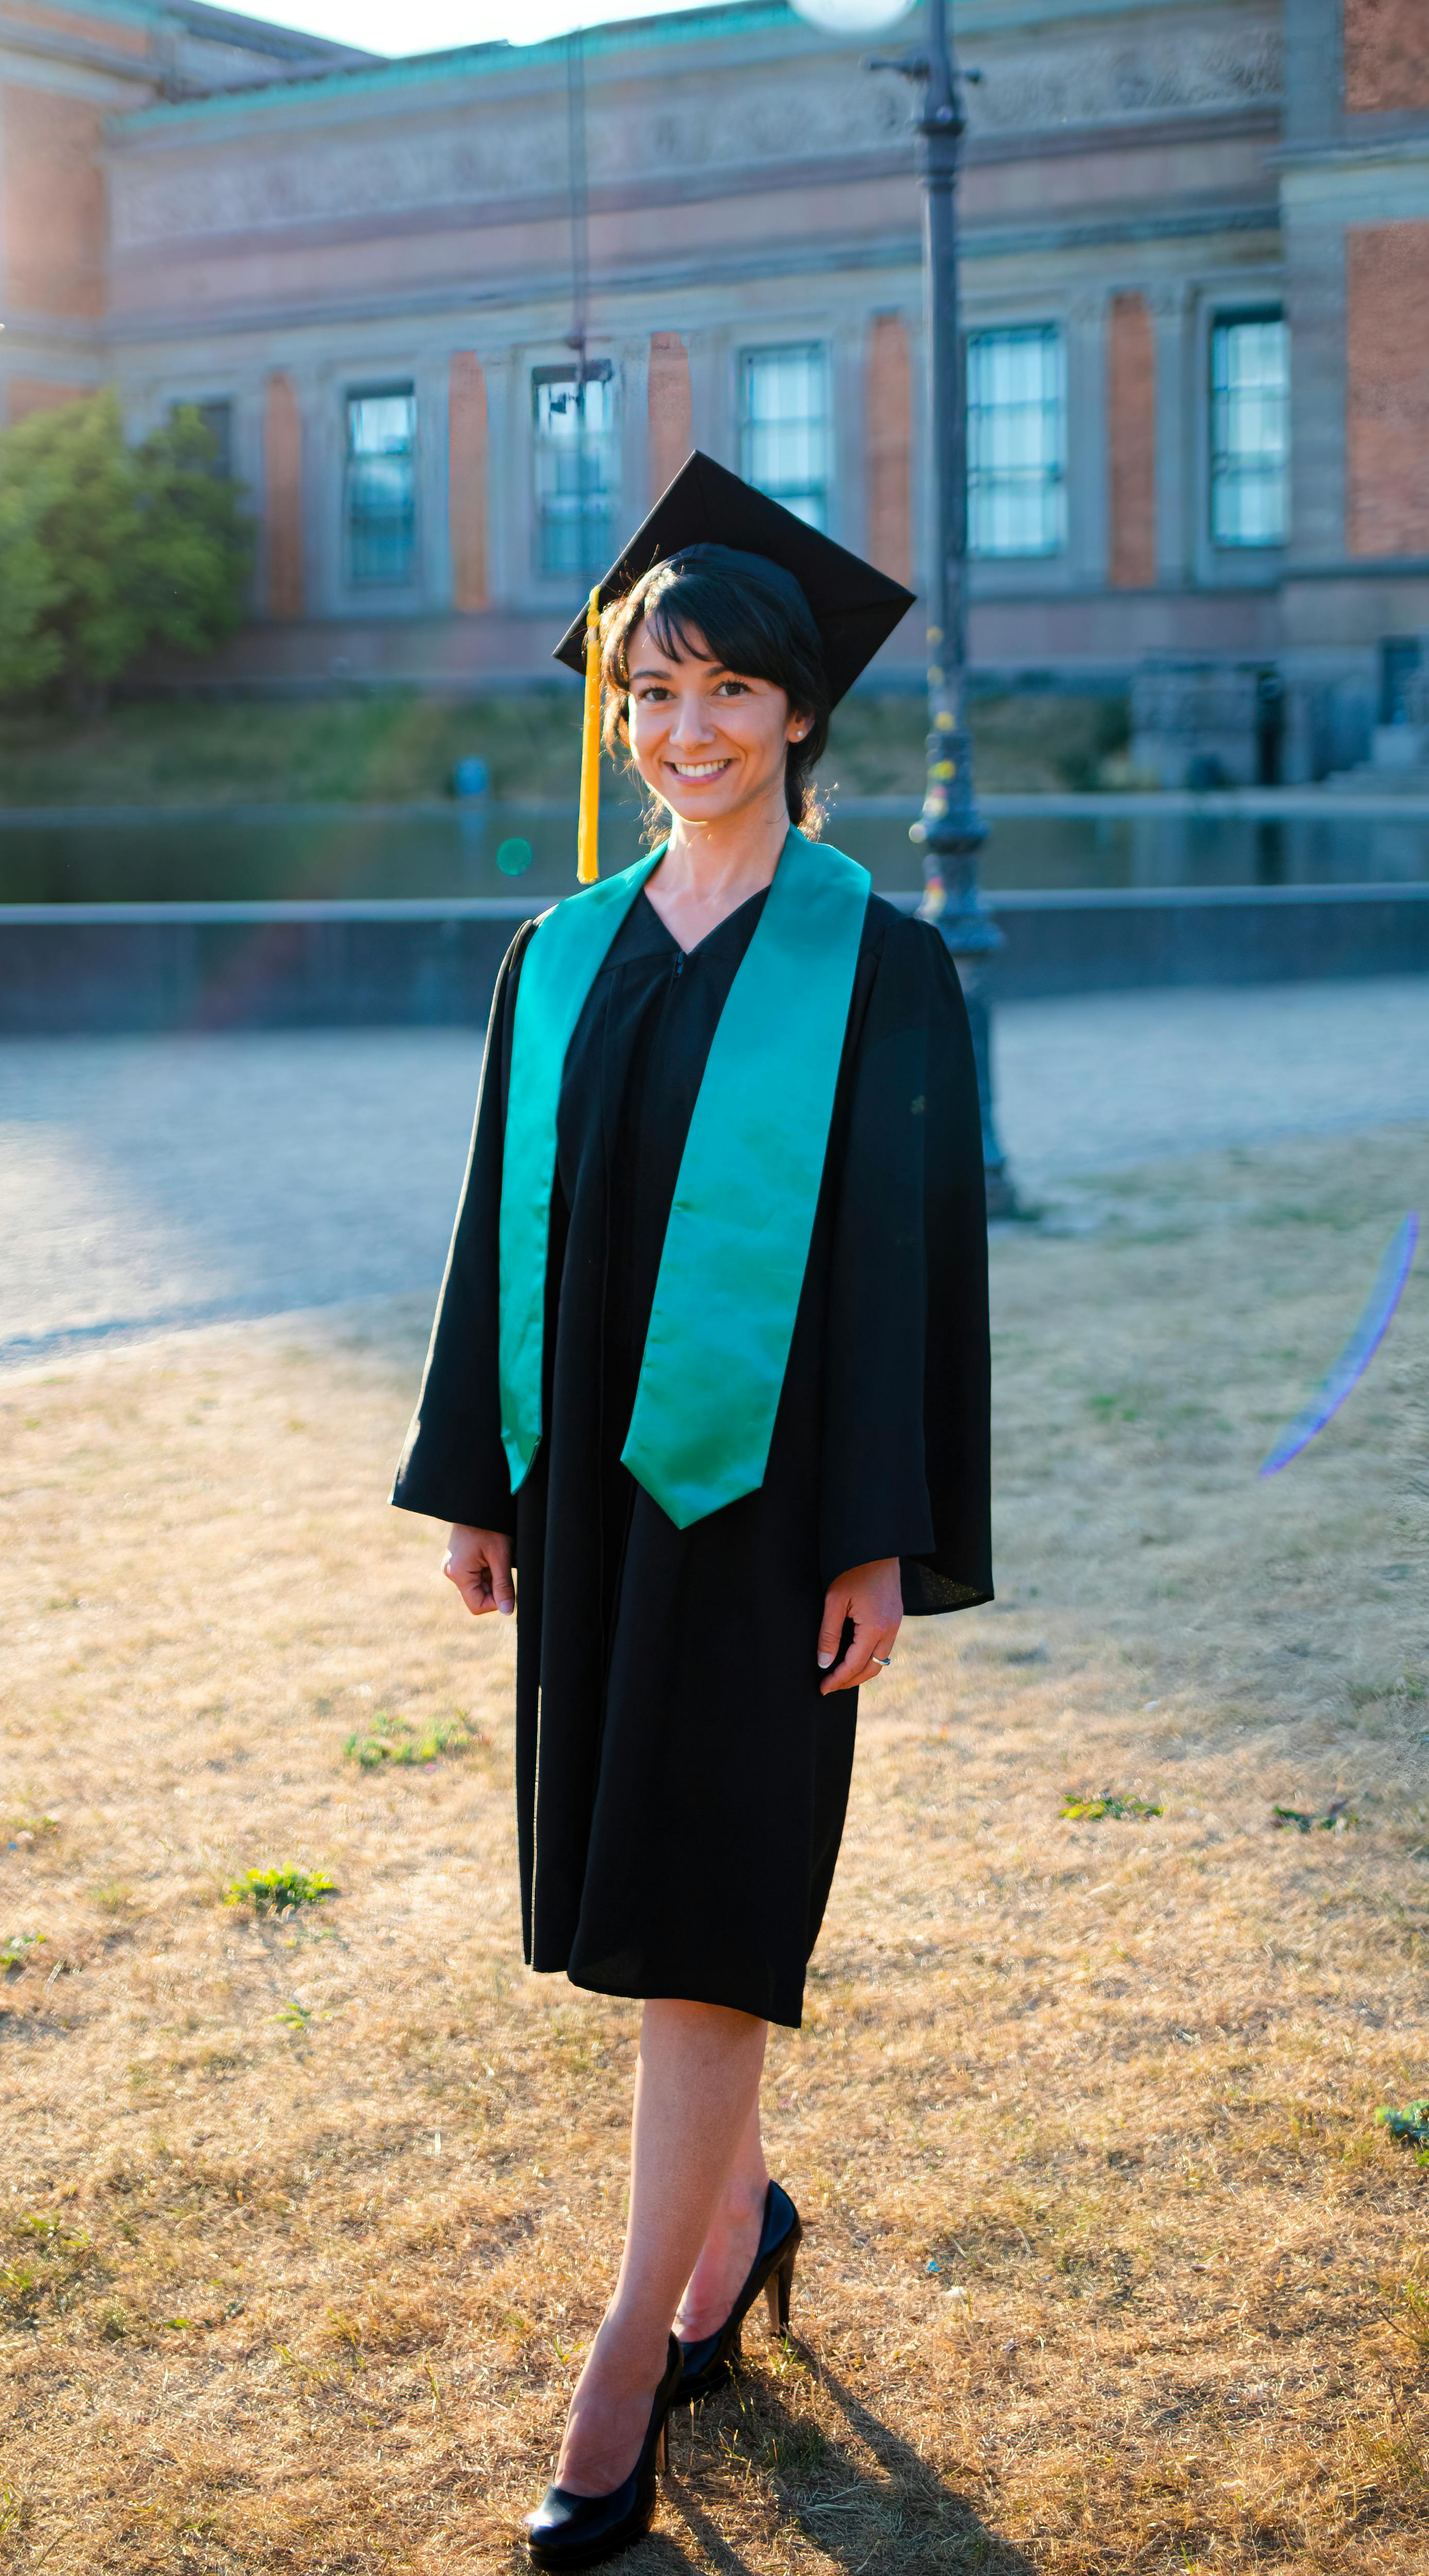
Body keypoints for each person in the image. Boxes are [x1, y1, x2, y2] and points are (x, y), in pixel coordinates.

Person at [393, 452, 992, 2569]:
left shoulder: (881, 968)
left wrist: (876, 1533)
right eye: (656, 693)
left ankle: (629, 2357)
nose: (689, 729)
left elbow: (913, 1273)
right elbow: (501, 1229)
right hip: (588, 1508)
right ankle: (741, 2232)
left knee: (704, 1925)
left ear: (802, 716)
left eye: (732, 690)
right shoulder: (557, 953)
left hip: (764, 1511)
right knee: (649, 1916)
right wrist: (477, 1475)